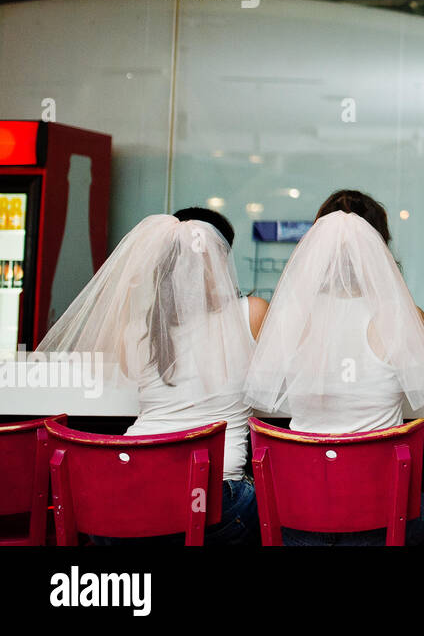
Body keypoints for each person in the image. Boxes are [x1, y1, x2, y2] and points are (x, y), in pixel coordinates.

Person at [37, 210, 262, 544]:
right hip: (211, 501)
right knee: (263, 501)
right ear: (219, 262)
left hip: (125, 494)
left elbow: (124, 371)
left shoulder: (139, 327)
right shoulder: (252, 312)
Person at [244, 189, 424, 545]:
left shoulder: (287, 319)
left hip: (297, 517)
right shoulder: (400, 318)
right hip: (381, 521)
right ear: (380, 246)